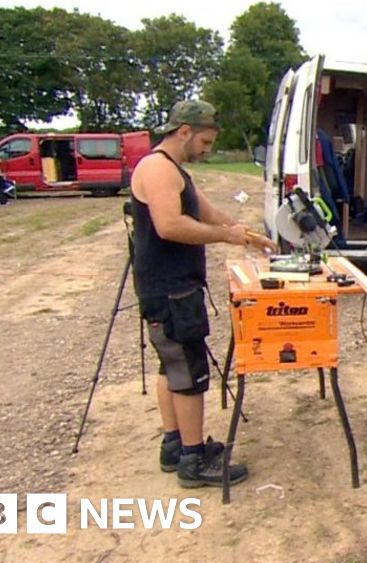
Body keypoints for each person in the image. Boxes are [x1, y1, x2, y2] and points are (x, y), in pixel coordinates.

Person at [130, 100, 276, 489]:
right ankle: (193, 461)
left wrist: (246, 234)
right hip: (170, 290)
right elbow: (169, 225)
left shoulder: (174, 170)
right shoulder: (158, 169)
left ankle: (174, 444)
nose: (207, 150)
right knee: (190, 374)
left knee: (172, 367)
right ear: (184, 132)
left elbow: (205, 211)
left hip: (175, 287)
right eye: (206, 142)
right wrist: (224, 237)